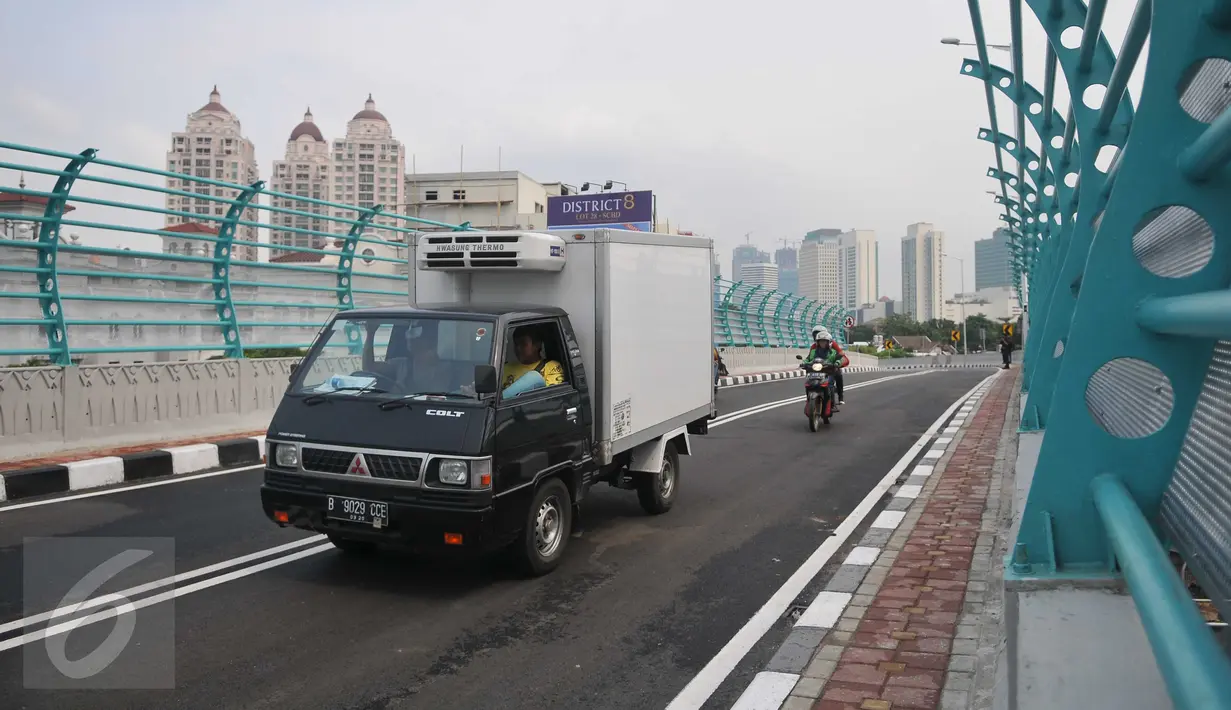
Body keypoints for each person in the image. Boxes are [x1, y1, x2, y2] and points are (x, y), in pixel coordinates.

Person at [502, 326, 565, 395]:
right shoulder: (506, 368)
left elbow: (553, 396)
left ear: (537, 345)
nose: (518, 348)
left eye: (523, 344)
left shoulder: (551, 367)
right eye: (516, 344)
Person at [803, 327, 849, 404]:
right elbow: (809, 358)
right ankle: (809, 397)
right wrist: (805, 363)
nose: (818, 336)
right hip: (818, 367)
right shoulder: (814, 347)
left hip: (830, 367)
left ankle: (840, 397)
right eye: (816, 334)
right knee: (808, 377)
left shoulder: (832, 344)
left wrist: (837, 363)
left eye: (820, 333)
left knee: (838, 375)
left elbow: (842, 356)